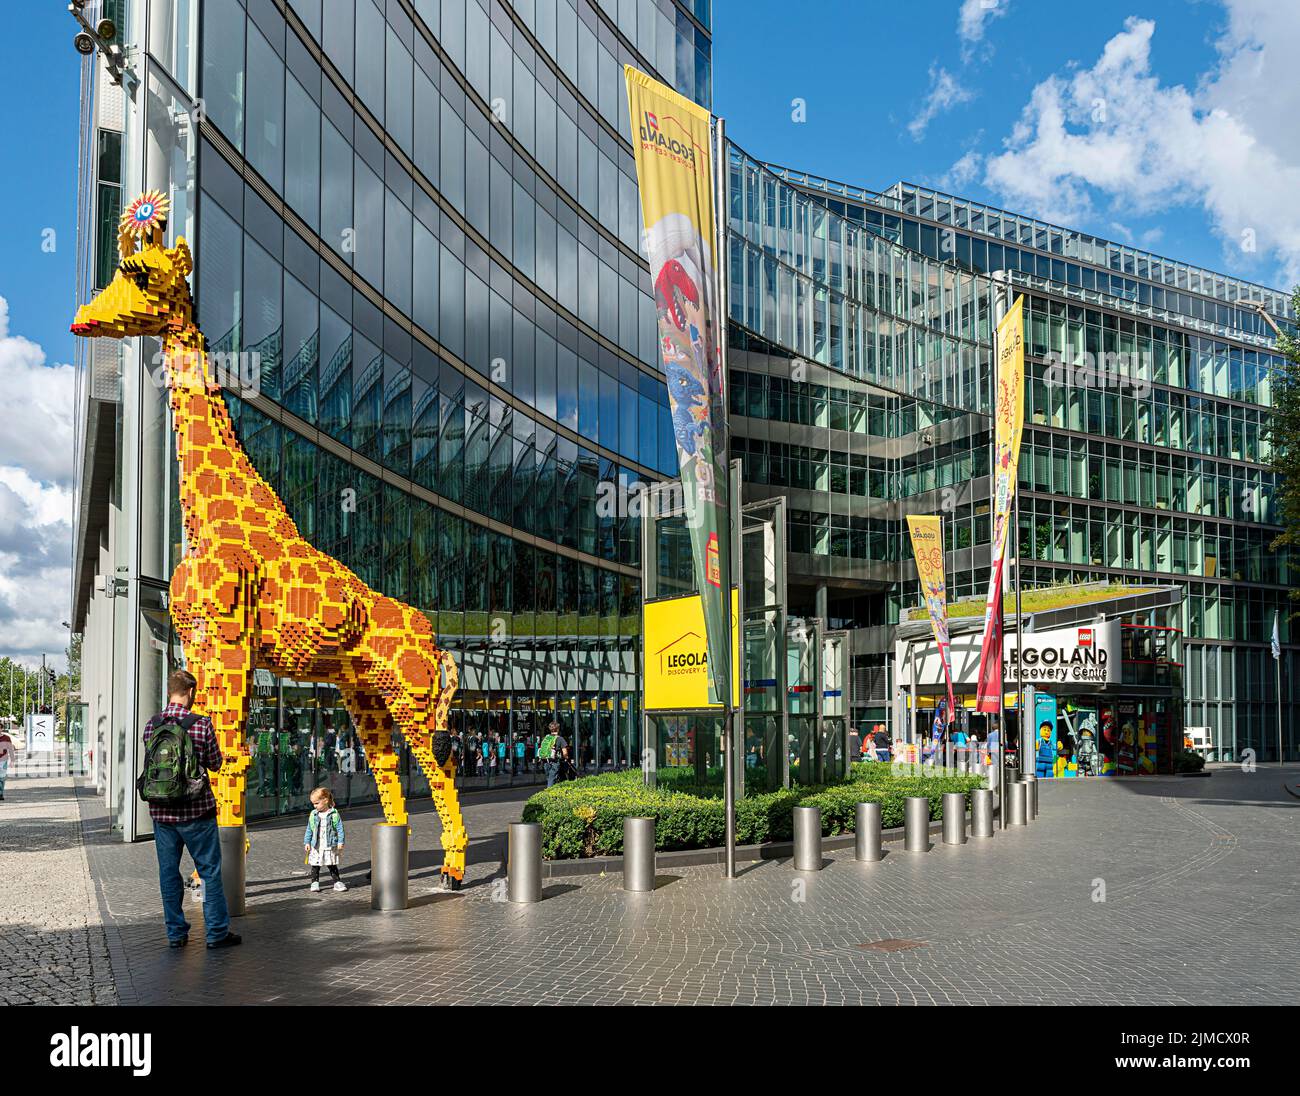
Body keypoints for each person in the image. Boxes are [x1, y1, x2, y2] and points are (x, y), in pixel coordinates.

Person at [143, 669, 240, 950]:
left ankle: (175, 934)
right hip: (197, 812)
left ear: (170, 690)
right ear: (190, 692)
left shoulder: (153, 724)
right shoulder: (200, 724)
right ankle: (216, 933)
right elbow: (215, 763)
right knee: (209, 871)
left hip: (162, 814)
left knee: (168, 873)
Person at [303, 786, 347, 892]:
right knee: (315, 865)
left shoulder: (334, 814)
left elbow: (340, 829)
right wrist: (307, 842)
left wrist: (341, 841)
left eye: (317, 803)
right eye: (313, 803)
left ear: (325, 800)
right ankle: (314, 882)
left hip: (329, 844)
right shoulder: (313, 814)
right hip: (316, 845)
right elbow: (309, 828)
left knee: (331, 864)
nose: (315, 806)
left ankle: (337, 882)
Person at [538, 722, 567, 788]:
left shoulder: (546, 737)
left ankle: (553, 791)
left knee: (549, 778)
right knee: (551, 778)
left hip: (546, 760)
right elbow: (565, 752)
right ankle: (549, 793)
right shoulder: (560, 739)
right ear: (558, 729)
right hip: (555, 762)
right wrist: (566, 757)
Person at [0, 731, 13, 800]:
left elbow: (10, 749)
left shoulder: (6, 738)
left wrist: (12, 760)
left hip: (3, 760)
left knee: (1, 778)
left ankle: (1, 793)